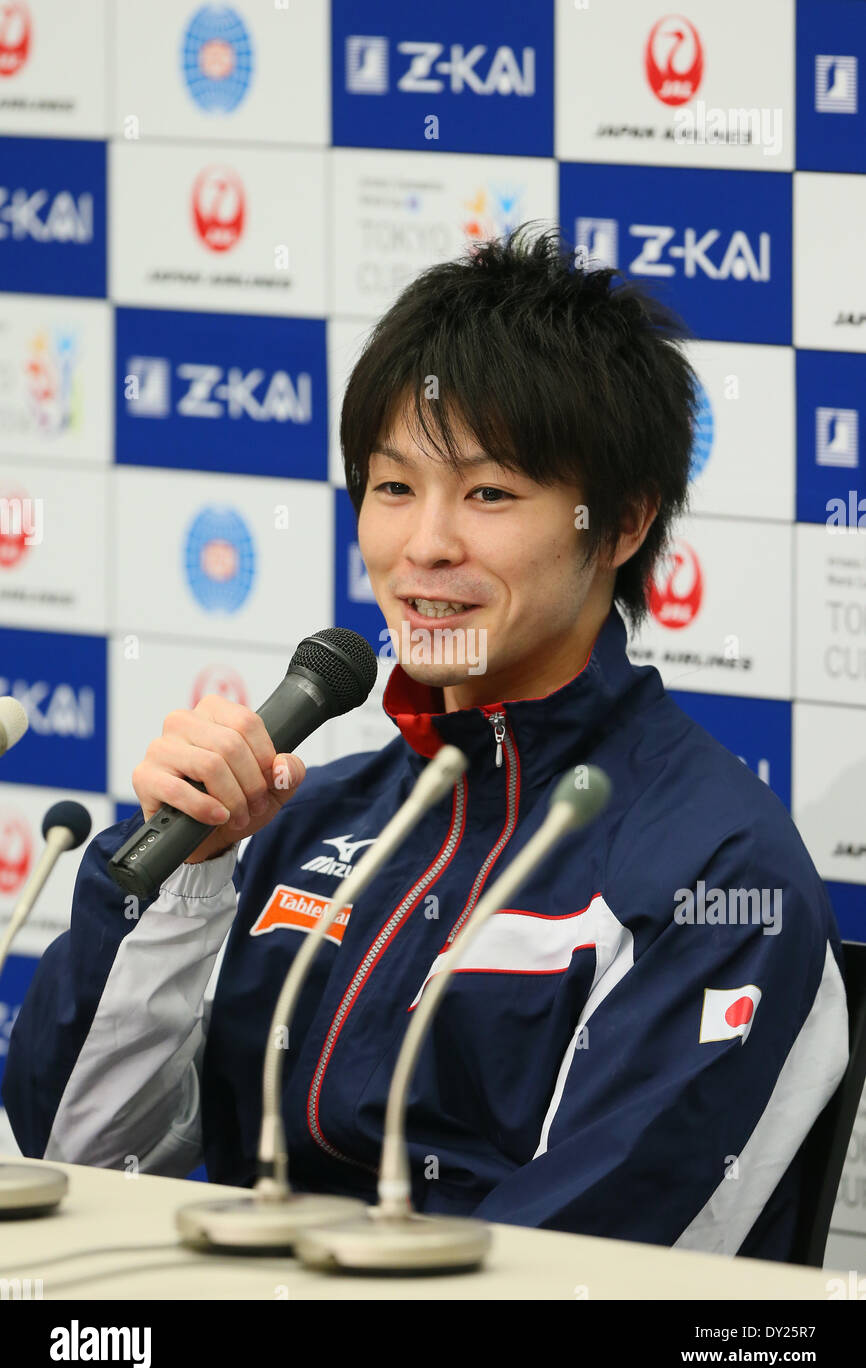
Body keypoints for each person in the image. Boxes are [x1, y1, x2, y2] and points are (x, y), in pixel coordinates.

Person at [3, 224, 848, 1260]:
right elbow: (79, 1153)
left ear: (620, 524)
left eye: (489, 493)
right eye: (393, 487)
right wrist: (190, 873)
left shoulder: (716, 869)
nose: (423, 545)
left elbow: (595, 1267)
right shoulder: (304, 815)